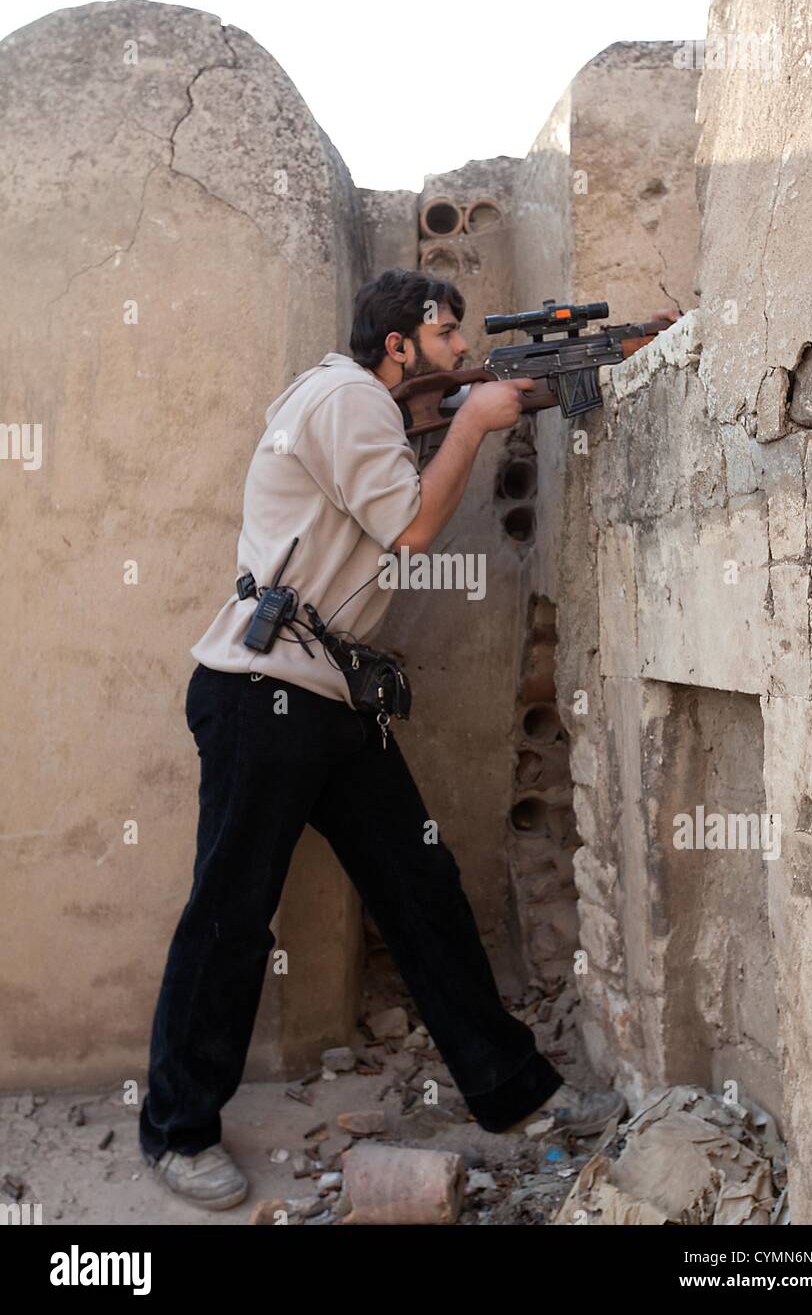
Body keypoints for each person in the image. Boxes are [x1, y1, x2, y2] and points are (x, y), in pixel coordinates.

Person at [138, 268, 627, 1210]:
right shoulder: (350, 397)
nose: (460, 354)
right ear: (399, 344)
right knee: (231, 918)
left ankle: (512, 1092)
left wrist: (509, 394)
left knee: (421, 889)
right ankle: (176, 1130)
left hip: (328, 693)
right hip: (263, 690)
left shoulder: (366, 406)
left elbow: (398, 481)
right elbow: (408, 528)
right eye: (447, 337)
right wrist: (481, 420)